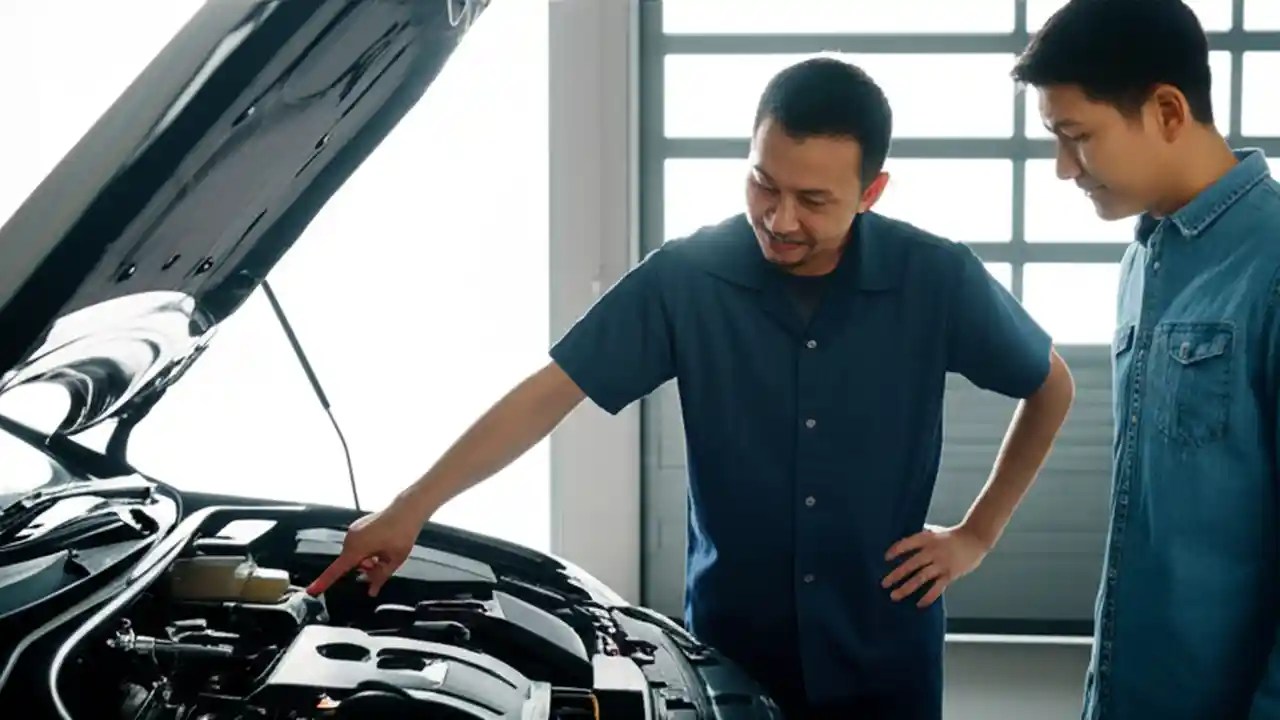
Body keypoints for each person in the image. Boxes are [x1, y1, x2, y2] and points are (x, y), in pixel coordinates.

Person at [307, 57, 1075, 718]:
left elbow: (1050, 385)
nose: (779, 219)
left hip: (883, 647)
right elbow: (548, 393)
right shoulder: (687, 277)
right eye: (763, 184)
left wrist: (978, 535)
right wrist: (413, 506)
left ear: (872, 191)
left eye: (814, 201)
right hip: (730, 648)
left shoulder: (935, 277)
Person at [1011, 1, 1280, 719]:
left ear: (1166, 110)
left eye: (1077, 137)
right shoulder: (1141, 258)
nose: (1064, 168)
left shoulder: (1274, 263)